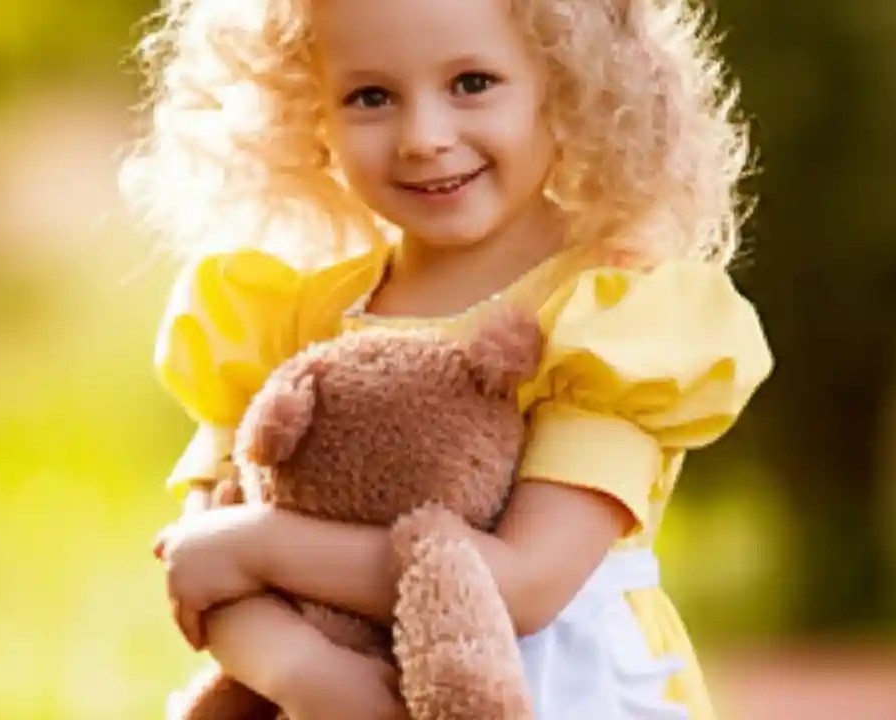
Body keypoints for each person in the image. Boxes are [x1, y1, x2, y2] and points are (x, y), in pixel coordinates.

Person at [128, 0, 773, 717]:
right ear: (312, 114)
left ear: (566, 82)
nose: (424, 138)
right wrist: (307, 675)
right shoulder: (280, 315)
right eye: (371, 96)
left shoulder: (609, 320)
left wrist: (261, 546)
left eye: (472, 83)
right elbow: (198, 567)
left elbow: (524, 585)